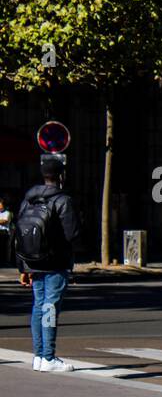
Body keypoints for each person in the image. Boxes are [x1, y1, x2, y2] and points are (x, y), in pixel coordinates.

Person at [15, 158, 80, 372]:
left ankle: (38, 356)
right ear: (61, 176)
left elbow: (20, 234)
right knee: (50, 307)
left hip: (34, 261)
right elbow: (72, 234)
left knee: (38, 306)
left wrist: (23, 267)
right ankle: (49, 358)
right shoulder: (63, 200)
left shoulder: (29, 199)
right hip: (56, 262)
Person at [0, 195, 11, 267]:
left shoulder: (7, 213)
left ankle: (5, 262)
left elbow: (5, 221)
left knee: (4, 248)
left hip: (4, 232)